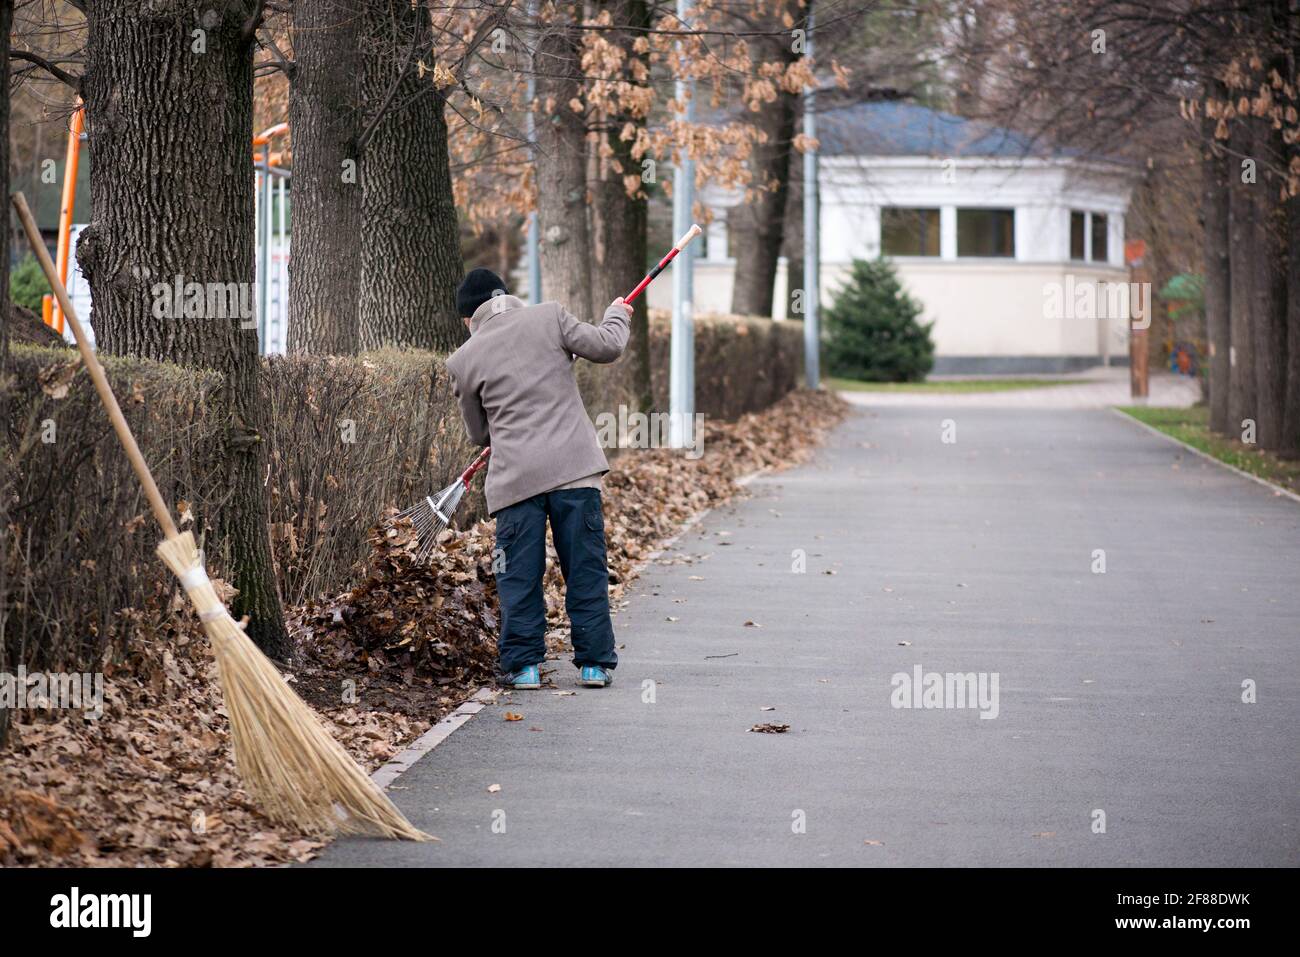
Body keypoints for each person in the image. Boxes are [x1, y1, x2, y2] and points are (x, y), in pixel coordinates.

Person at [444, 268, 632, 689]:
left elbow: (479, 435)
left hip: (516, 481)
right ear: (506, 297)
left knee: (518, 575)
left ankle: (524, 667)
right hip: (575, 471)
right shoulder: (550, 317)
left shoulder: (463, 360)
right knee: (585, 568)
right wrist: (617, 313)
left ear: (468, 317)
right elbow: (607, 345)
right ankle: (594, 665)